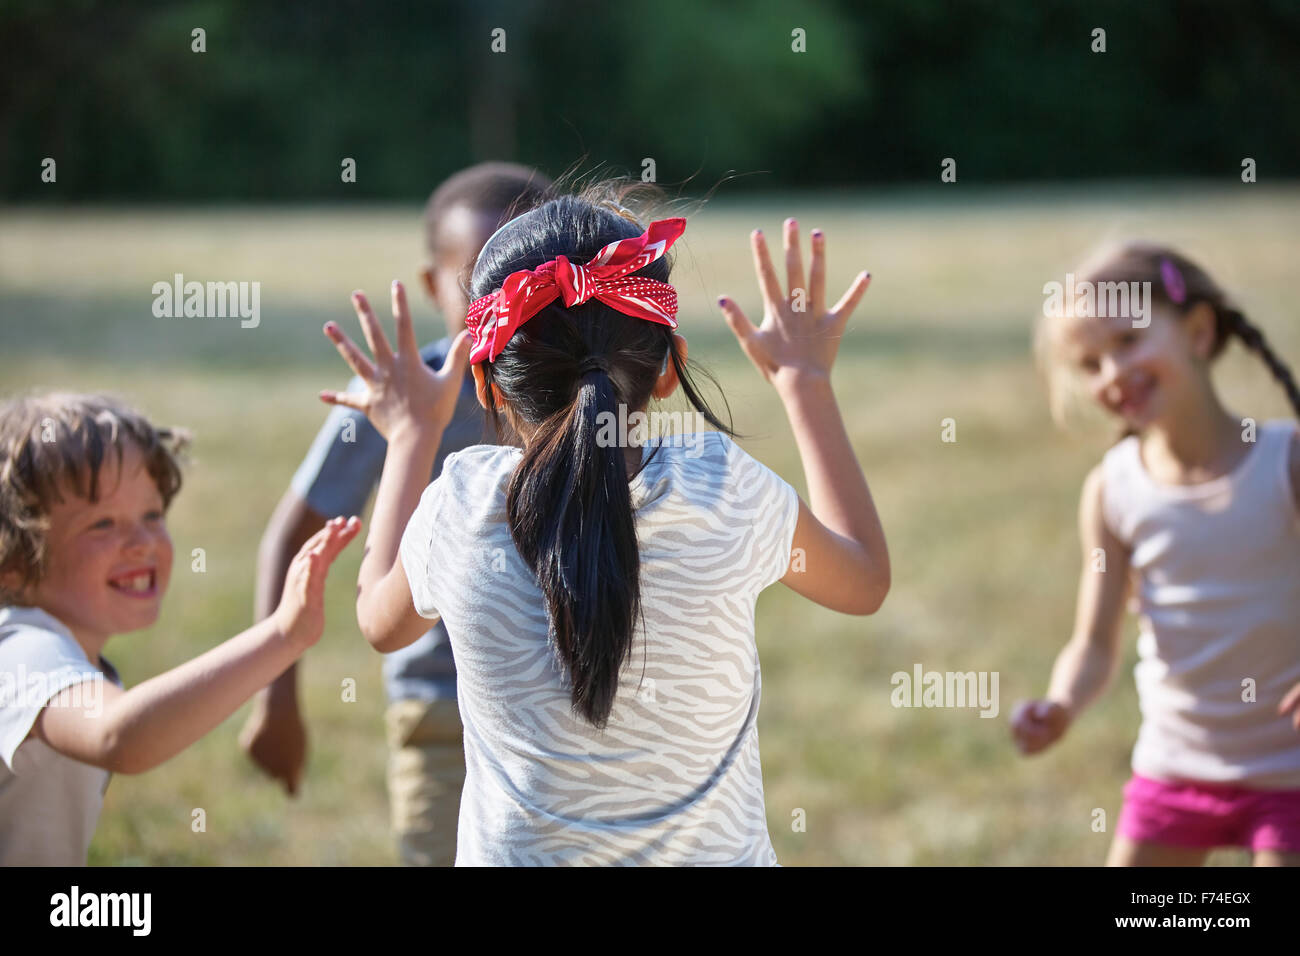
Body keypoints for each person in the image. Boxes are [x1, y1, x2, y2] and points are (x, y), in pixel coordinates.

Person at [320, 186, 891, 864]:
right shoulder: (722, 489)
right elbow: (863, 579)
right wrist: (805, 383)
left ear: (487, 386)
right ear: (666, 371)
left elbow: (380, 622)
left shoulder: (462, 510)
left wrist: (414, 434)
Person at [239, 162, 552, 866]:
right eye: (478, 275)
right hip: (439, 710)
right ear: (432, 283)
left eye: (528, 272)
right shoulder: (393, 392)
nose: (502, 297)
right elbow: (293, 534)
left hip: (562, 706)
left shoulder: (582, 387)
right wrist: (276, 702)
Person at [1012, 241, 1300, 866]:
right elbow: (1093, 644)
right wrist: (1061, 704)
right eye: (1090, 363)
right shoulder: (1113, 492)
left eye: (1128, 341)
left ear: (1198, 331)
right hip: (1175, 769)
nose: (1112, 373)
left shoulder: (1286, 463)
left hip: (1290, 774)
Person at [0, 392, 358, 864]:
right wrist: (282, 635)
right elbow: (119, 738)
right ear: (14, 562)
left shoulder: (61, 650)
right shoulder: (25, 651)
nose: (142, 543)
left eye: (151, 515)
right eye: (103, 524)